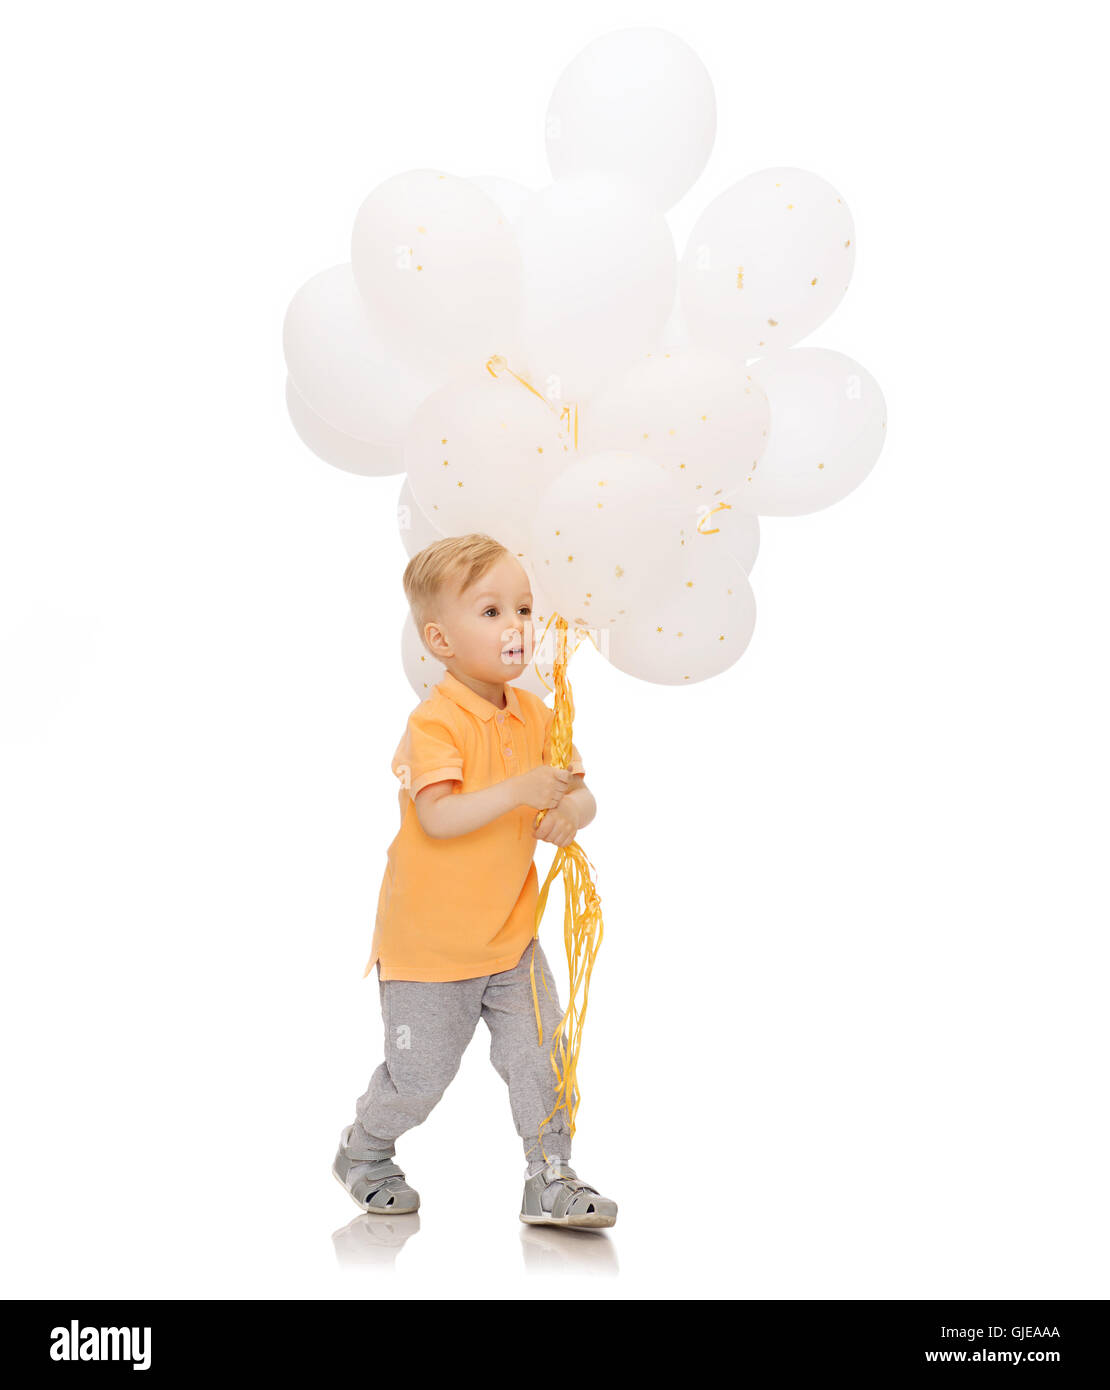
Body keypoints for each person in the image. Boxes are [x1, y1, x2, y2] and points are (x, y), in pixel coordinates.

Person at [332, 533, 617, 1229]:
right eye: (491, 612)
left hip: (511, 938)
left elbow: (583, 794)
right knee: (421, 1078)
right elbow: (439, 817)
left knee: (543, 1057)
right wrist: (522, 789)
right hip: (429, 951)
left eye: (523, 608)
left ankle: (549, 1175)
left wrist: (568, 815)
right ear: (441, 639)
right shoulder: (435, 723)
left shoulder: (538, 716)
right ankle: (365, 1149)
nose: (516, 626)